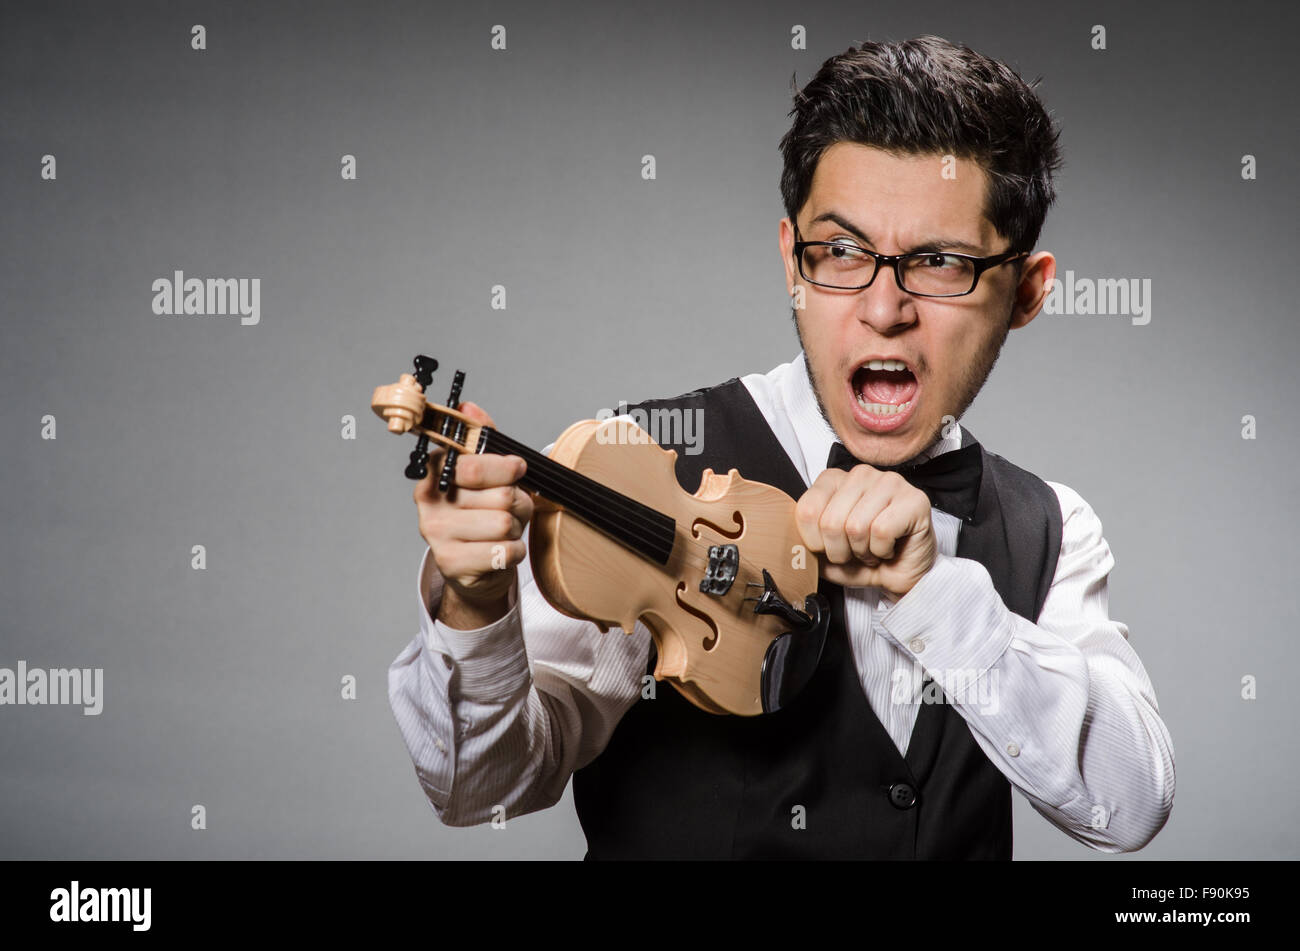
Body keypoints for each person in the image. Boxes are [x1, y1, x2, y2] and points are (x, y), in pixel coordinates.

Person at [387, 35, 1175, 859]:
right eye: (840, 252)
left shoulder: (1051, 527)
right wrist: (472, 609)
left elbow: (1130, 805)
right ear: (789, 261)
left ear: (1028, 291)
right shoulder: (638, 466)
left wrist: (937, 592)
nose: (883, 307)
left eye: (939, 262)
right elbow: (478, 788)